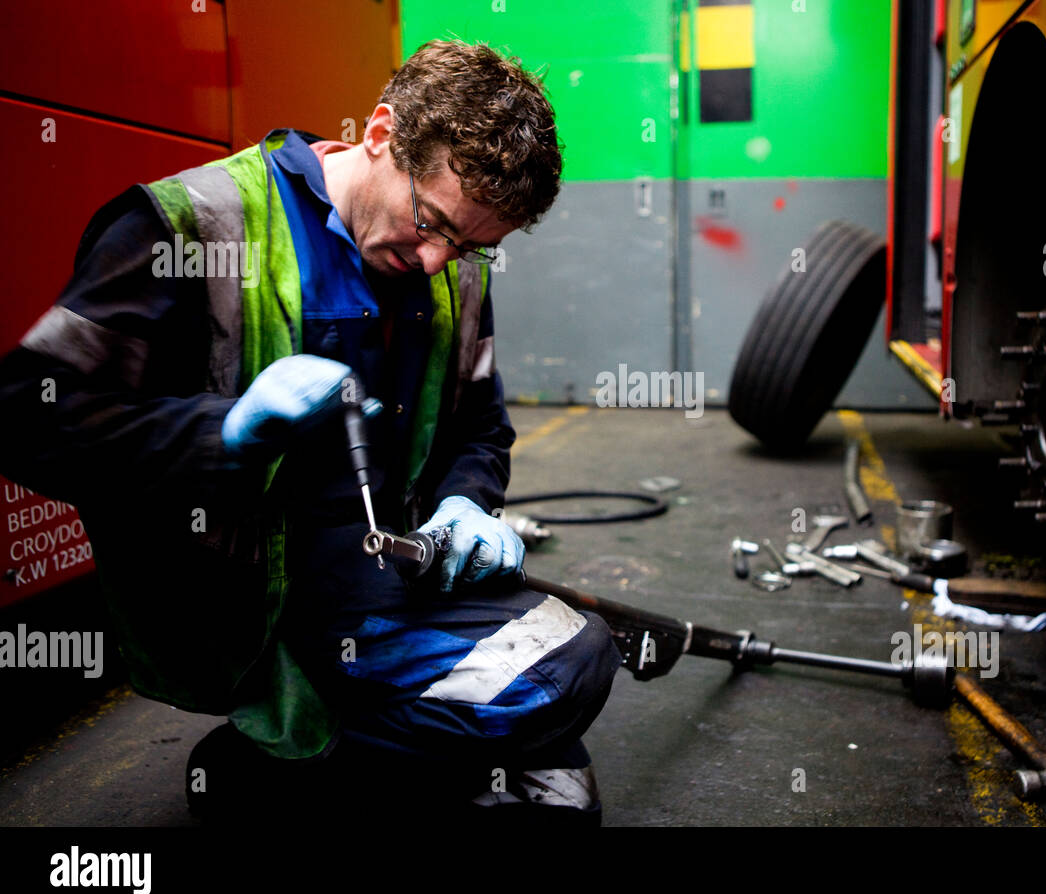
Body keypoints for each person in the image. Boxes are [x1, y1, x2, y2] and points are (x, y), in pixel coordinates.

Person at [0, 40, 621, 823]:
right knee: (540, 724)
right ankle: (276, 763)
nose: (438, 261)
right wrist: (228, 430)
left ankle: (312, 760)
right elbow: (27, 418)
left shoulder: (453, 265)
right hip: (244, 602)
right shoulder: (192, 224)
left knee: (578, 669)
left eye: (470, 246)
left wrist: (466, 503)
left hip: (383, 577)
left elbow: (479, 429)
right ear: (380, 133)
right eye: (430, 223)